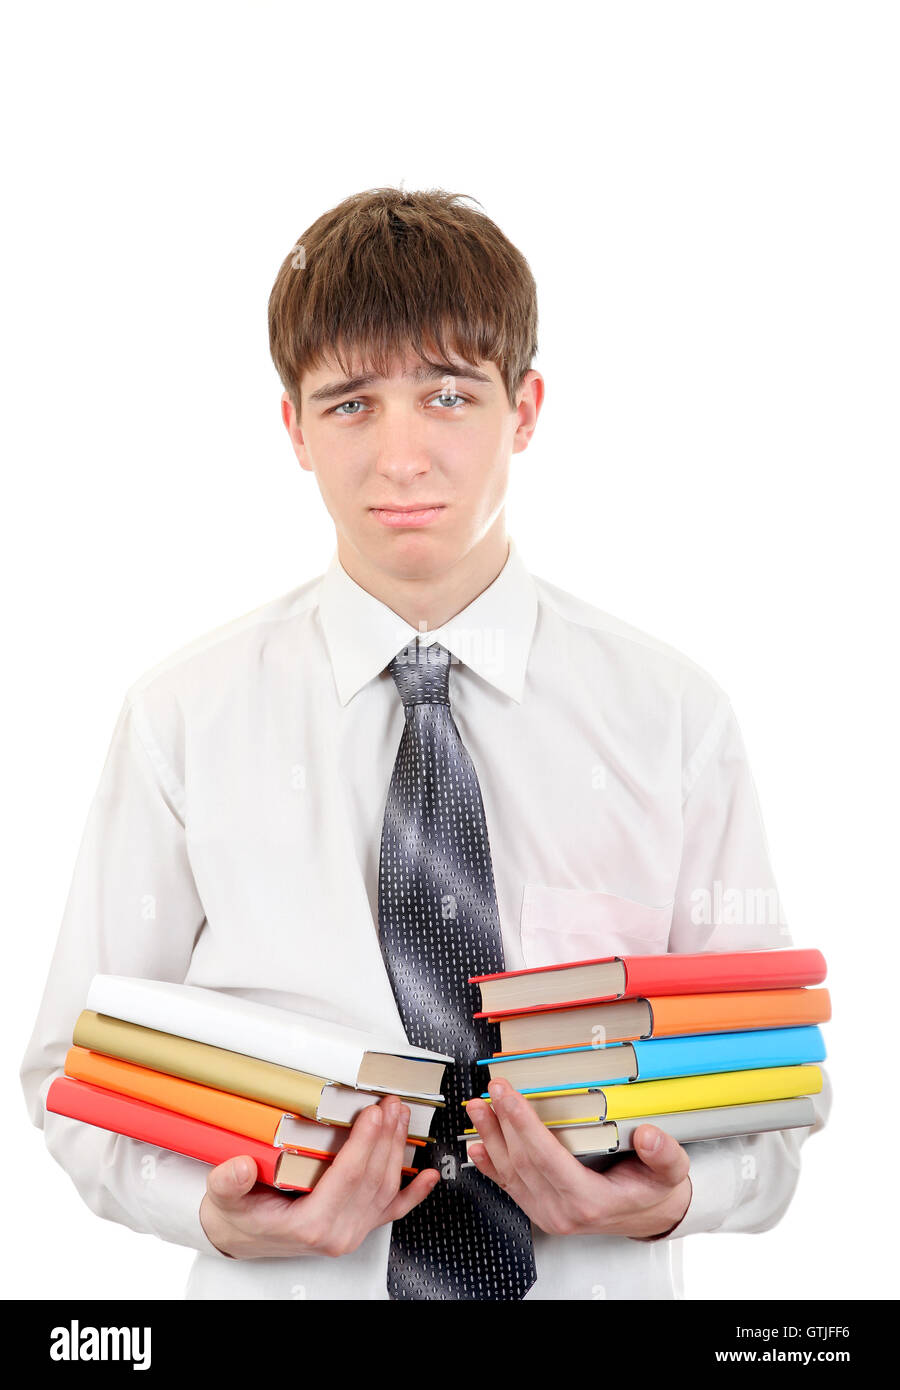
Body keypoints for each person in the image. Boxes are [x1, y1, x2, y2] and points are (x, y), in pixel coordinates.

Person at [20, 186, 831, 1301]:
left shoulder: (672, 714)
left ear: (527, 408)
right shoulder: (183, 717)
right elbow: (72, 1066)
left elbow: (776, 1085)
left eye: (449, 394)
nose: (402, 457)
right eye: (351, 404)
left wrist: (678, 1196)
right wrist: (208, 1213)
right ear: (294, 428)